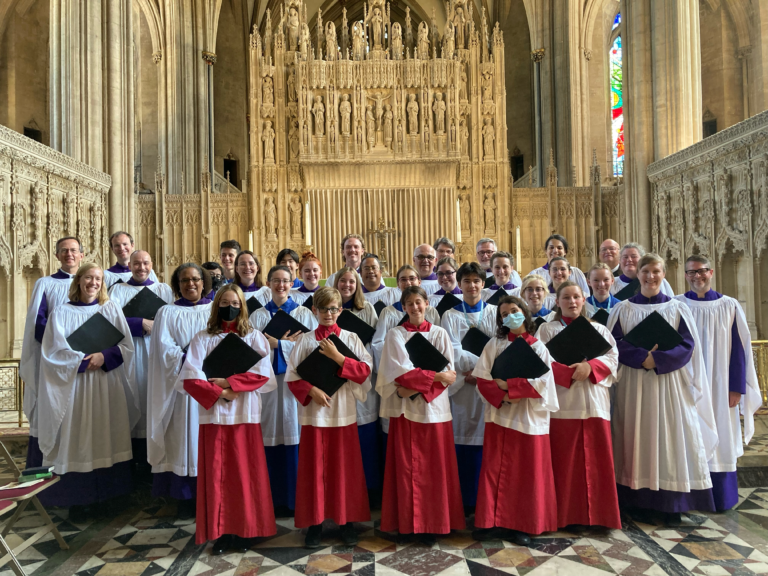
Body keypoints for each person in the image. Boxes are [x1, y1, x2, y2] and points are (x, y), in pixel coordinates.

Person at [607, 253, 716, 524]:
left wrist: (658, 360)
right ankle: (637, 502)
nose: (650, 277)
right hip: (634, 384)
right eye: (645, 271)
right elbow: (614, 344)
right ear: (638, 274)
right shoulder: (623, 309)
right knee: (635, 437)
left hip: (668, 384)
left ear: (663, 274)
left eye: (656, 271)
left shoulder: (677, 309)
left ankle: (670, 503)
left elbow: (687, 346)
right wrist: (640, 358)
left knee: (668, 437)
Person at [177, 284, 277, 554]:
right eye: (224, 303)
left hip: (244, 414)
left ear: (242, 306)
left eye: (234, 302)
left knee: (245, 474)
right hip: (213, 415)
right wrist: (221, 392)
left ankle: (246, 530)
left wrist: (232, 384)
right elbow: (190, 377)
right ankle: (222, 532)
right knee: (218, 475)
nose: (229, 307)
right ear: (216, 306)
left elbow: (263, 373)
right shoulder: (202, 338)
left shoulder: (254, 337)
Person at [37, 263, 139, 523]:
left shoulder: (111, 309)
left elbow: (126, 345)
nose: (93, 282)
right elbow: (52, 352)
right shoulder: (62, 312)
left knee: (107, 432)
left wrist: (104, 355)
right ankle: (79, 500)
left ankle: (109, 498)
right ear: (79, 280)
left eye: (98, 278)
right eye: (88, 278)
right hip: (78, 385)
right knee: (80, 435)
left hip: (107, 382)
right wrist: (82, 360)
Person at [285, 286, 373, 548]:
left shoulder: (351, 338)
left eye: (334, 308)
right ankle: (315, 523)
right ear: (314, 310)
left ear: (341, 310)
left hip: (343, 410)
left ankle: (346, 522)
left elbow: (365, 370)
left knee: (343, 468)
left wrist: (338, 357)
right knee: (315, 469)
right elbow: (292, 376)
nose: (329, 313)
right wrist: (311, 390)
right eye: (323, 309)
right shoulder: (305, 340)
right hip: (315, 413)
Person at [378, 286, 463, 543]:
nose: (415, 308)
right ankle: (408, 524)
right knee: (407, 470)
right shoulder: (395, 334)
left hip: (433, 410)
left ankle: (434, 524)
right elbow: (400, 371)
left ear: (427, 304)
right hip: (406, 413)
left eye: (419, 302)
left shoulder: (439, 333)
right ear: (403, 307)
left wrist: (414, 389)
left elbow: (450, 373)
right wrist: (433, 377)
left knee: (434, 470)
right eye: (409, 304)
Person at [676, 255, 761, 511]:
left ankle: (722, 498)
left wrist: (737, 388)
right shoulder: (677, 305)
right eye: (691, 273)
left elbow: (739, 350)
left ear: (711, 272)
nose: (696, 277)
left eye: (701, 271)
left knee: (722, 435)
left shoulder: (729, 305)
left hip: (722, 385)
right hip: (689, 385)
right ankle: (692, 498)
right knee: (692, 436)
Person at [471, 295, 557, 545]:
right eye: (504, 313)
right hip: (499, 415)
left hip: (528, 418)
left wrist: (509, 387)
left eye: (515, 310)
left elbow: (544, 382)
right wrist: (504, 397)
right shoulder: (494, 344)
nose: (510, 316)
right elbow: (482, 378)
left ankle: (523, 524)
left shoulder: (538, 346)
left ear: (524, 313)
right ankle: (495, 522)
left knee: (525, 473)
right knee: (495, 471)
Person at [535, 282, 621, 531]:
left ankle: (599, 517)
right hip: (564, 404)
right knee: (564, 462)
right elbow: (542, 361)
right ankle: (566, 516)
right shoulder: (546, 330)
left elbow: (613, 358)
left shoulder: (599, 329)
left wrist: (590, 368)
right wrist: (570, 373)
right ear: (557, 301)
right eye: (566, 297)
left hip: (594, 404)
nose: (572, 302)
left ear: (584, 300)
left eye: (576, 297)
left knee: (598, 461)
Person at [147, 264, 213, 518]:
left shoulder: (214, 309)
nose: (191, 284)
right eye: (185, 280)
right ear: (177, 284)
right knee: (183, 439)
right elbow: (163, 349)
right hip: (181, 388)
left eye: (196, 279)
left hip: (209, 384)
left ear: (203, 282)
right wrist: (191, 358)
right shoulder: (166, 312)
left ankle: (209, 492)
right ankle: (185, 497)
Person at [250, 266, 317, 515]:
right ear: (268, 283)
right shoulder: (257, 316)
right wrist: (285, 345)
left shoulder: (305, 314)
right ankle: (270, 498)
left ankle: (295, 498)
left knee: (293, 432)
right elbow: (251, 351)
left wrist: (278, 344)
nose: (280, 285)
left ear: (292, 284)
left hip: (293, 387)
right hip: (266, 386)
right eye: (276, 281)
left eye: (285, 281)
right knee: (268, 434)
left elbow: (311, 349)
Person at [21, 236, 84, 467]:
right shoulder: (46, 284)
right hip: (54, 362)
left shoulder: (93, 282)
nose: (69, 254)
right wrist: (63, 350)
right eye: (64, 251)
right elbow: (37, 324)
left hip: (86, 365)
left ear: (82, 255)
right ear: (56, 255)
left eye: (74, 251)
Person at [108, 251, 173, 464]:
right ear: (130, 265)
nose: (141, 267)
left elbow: (174, 320)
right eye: (136, 263)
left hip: (156, 351)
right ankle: (131, 458)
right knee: (131, 398)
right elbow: (109, 321)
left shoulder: (163, 290)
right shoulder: (117, 290)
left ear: (151, 264)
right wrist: (139, 323)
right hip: (129, 353)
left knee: (153, 397)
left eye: (145, 263)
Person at [440, 262, 496, 511]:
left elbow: (499, 346)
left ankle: (486, 499)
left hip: (489, 385)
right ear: (459, 284)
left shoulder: (496, 312)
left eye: (476, 281)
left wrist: (482, 372)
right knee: (462, 438)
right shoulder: (450, 315)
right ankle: (463, 500)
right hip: (462, 387)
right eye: (466, 281)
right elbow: (452, 349)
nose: (472, 286)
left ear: (483, 284)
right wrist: (475, 369)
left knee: (488, 440)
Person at [333, 268, 382, 495]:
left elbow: (374, 342)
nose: (347, 285)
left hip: (360, 376)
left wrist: (353, 355)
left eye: (351, 281)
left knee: (365, 435)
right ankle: (346, 488)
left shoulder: (367, 308)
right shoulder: (329, 309)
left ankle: (368, 489)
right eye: (342, 281)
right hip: (333, 376)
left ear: (358, 284)